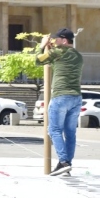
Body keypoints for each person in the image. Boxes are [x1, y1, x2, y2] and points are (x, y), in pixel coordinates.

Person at [37, 28, 84, 176]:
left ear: (64, 40)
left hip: (60, 96)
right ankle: (67, 164)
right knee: (70, 134)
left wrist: (42, 45)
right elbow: (60, 60)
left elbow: (38, 60)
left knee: (54, 130)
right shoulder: (78, 55)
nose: (54, 41)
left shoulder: (58, 52)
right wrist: (52, 49)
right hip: (76, 98)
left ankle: (63, 162)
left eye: (56, 39)